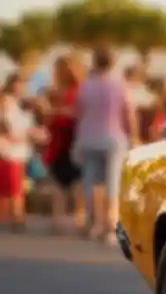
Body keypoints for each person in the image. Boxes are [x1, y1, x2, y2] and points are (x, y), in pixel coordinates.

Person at [74, 47, 137, 242]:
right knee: (112, 181)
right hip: (113, 137)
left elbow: (79, 111)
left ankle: (96, 223)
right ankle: (111, 224)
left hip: (89, 136)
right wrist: (134, 135)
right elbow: (128, 112)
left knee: (92, 182)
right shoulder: (119, 85)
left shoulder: (86, 85)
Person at [43, 54, 86, 233]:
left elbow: (78, 113)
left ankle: (78, 218)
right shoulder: (56, 91)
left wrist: (58, 112)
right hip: (60, 139)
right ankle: (60, 220)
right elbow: (48, 116)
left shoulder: (79, 90)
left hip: (73, 138)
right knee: (60, 181)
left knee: (77, 181)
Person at [0, 73, 42, 231]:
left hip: (21, 149)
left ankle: (17, 216)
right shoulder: (6, 102)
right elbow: (4, 124)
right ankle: (17, 217)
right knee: (13, 186)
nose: (22, 88)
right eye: (20, 84)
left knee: (17, 185)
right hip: (8, 148)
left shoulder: (23, 103)